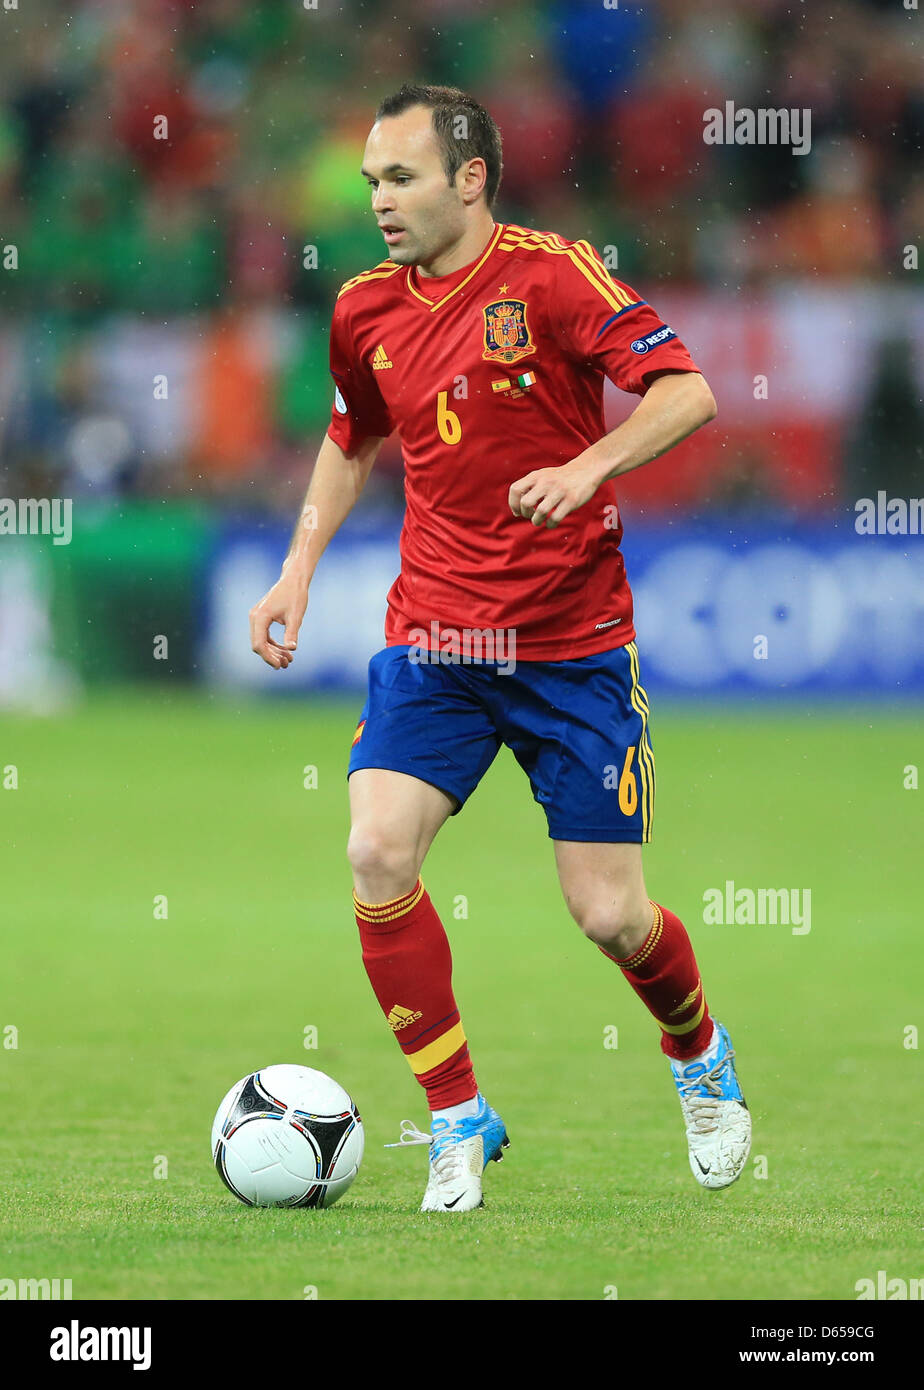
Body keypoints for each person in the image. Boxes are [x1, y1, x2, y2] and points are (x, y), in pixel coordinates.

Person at [250, 83, 750, 1213]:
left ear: (470, 179)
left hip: (572, 646)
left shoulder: (555, 275)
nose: (379, 200)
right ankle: (457, 1114)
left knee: (610, 914)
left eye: (402, 178)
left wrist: (590, 468)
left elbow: (690, 391)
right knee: (378, 851)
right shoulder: (365, 308)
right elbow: (350, 437)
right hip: (435, 636)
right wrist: (297, 566)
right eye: (373, 179)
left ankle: (698, 1053)